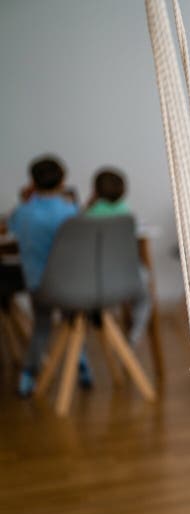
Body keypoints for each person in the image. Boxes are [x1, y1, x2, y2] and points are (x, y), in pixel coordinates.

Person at [9, 156, 92, 397]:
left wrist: (26, 200)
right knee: (74, 322)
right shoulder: (71, 211)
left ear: (32, 182)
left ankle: (27, 377)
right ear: (63, 181)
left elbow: (11, 226)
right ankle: (83, 366)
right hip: (70, 285)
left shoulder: (23, 213)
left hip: (39, 286)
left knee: (42, 328)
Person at [84, 168, 152, 346]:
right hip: (128, 275)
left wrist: (88, 204)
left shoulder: (90, 214)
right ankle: (135, 334)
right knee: (144, 295)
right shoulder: (126, 213)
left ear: (95, 190)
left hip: (98, 278)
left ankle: (103, 320)